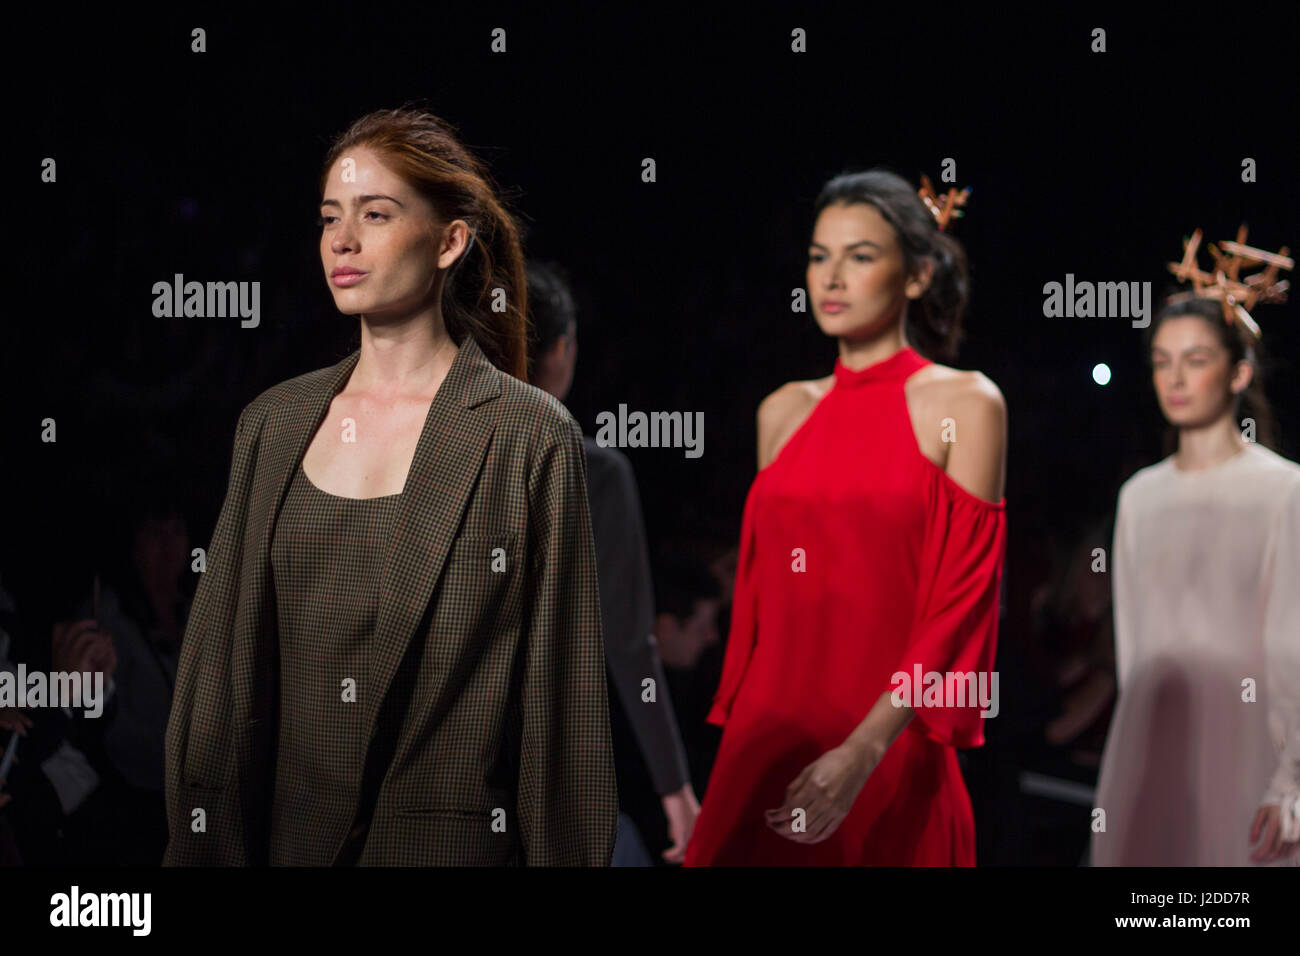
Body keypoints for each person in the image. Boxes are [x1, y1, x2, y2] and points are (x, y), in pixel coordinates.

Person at [163, 106, 616, 866]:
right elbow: (218, 692)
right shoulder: (273, 426)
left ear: (450, 240)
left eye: (376, 214)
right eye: (330, 217)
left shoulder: (528, 439)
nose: (342, 240)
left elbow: (562, 720)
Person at [684, 169, 1007, 865]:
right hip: (766, 742)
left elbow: (959, 607)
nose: (831, 277)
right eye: (819, 255)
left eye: (860, 256)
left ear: (916, 276)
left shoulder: (966, 403)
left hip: (883, 750)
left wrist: (865, 747)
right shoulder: (783, 410)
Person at [1092, 294, 1300, 866]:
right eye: (1162, 361)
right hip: (1151, 740)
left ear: (1239, 371)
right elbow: (1134, 650)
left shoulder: (1283, 490)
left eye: (1196, 359)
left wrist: (1292, 782)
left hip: (1250, 739)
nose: (1175, 379)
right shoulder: (1139, 495)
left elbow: (1293, 642)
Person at [526, 260, 700, 865]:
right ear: (563, 351)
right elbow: (629, 647)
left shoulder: (415, 457)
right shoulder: (593, 472)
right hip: (544, 782)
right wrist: (676, 790)